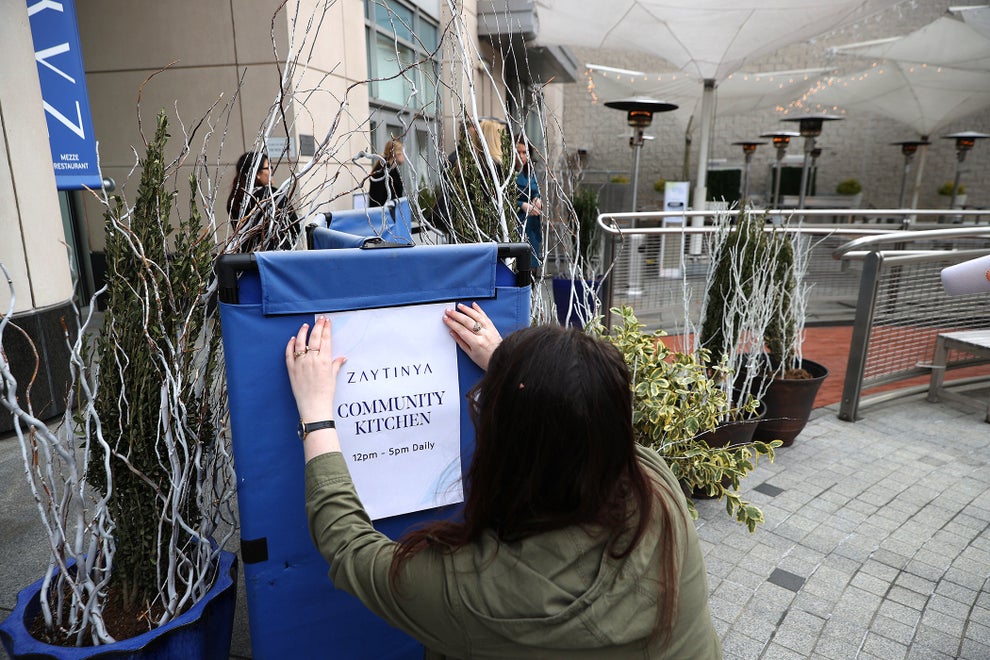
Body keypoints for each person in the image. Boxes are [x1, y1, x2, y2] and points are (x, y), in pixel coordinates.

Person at [285, 305, 721, 658]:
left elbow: (349, 546)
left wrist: (316, 413)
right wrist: (515, 374)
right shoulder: (656, 484)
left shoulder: (470, 590)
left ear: (506, 454)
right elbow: (585, 431)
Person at [226, 151, 298, 251]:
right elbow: (295, 227)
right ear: (257, 173)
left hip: (246, 259)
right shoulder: (272, 196)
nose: (271, 171)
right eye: (268, 167)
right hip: (275, 257)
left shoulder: (235, 199)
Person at [515, 138, 543, 269]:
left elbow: (535, 190)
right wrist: (522, 205)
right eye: (518, 152)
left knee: (532, 263)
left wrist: (537, 199)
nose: (521, 156)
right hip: (516, 221)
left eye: (524, 152)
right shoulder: (507, 172)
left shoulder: (530, 171)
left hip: (532, 223)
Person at [367, 139, 405, 207]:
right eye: (402, 152)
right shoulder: (381, 171)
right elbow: (378, 200)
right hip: (382, 215)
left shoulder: (393, 170)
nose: (404, 156)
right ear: (396, 153)